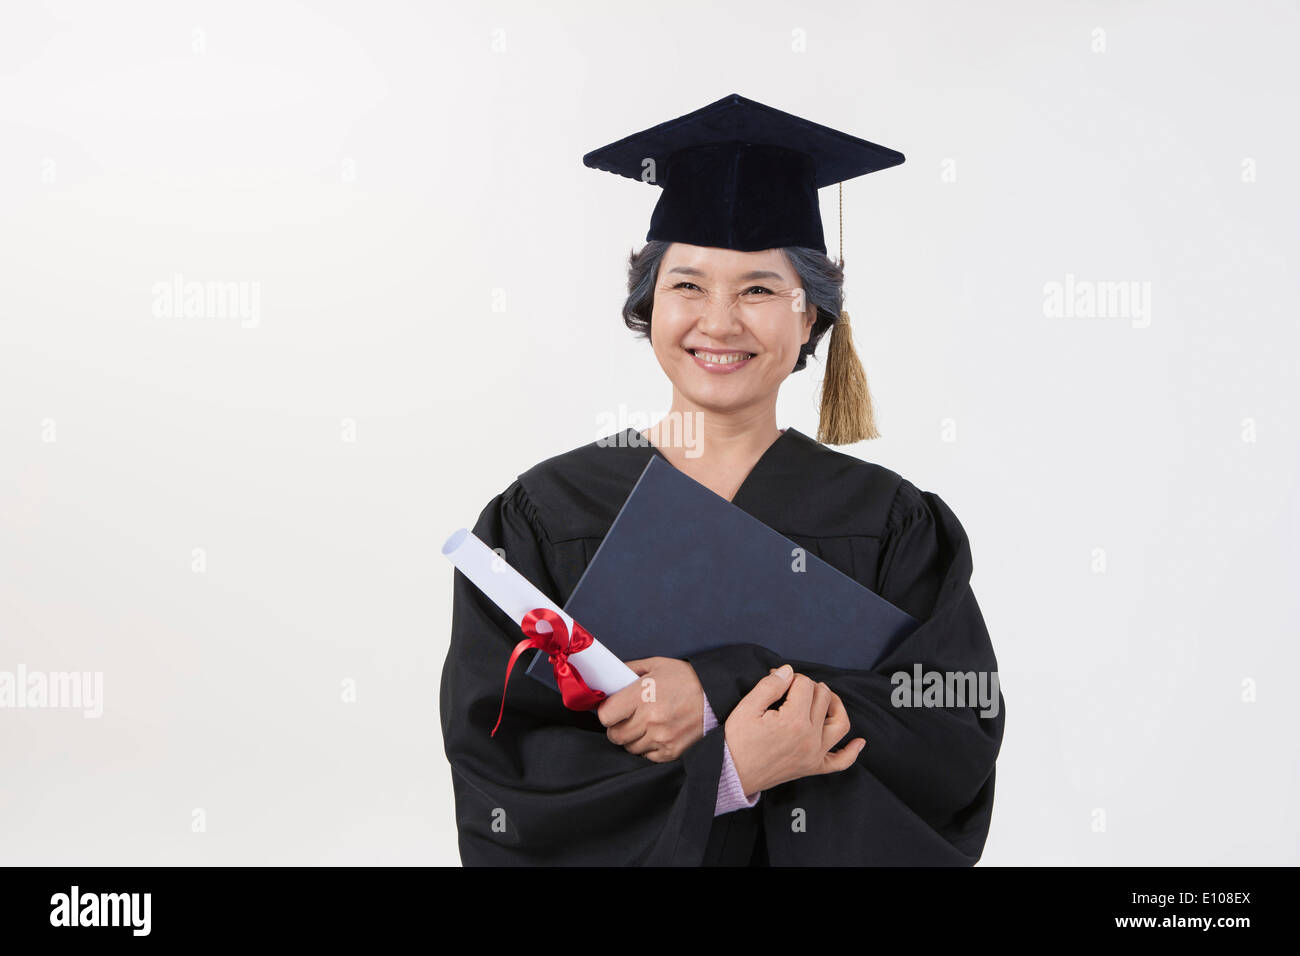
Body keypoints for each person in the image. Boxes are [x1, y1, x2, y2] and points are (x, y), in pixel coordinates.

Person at [439, 93, 1004, 865]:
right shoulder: (546, 513)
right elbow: (503, 774)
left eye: (760, 289)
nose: (720, 321)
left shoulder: (890, 522)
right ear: (647, 305)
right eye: (688, 286)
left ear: (811, 318)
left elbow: (953, 732)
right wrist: (727, 774)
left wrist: (718, 694)